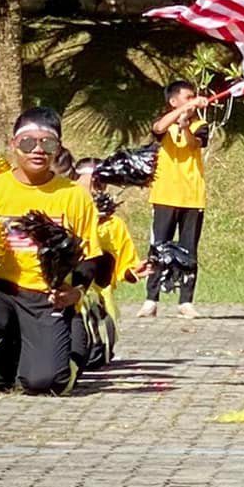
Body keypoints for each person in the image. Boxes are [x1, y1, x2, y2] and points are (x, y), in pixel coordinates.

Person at [0, 107, 106, 395]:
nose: (37, 150)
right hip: (1, 290)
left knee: (44, 384)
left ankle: (76, 335)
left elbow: (90, 256)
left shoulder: (73, 195)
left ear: (58, 148)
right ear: (14, 145)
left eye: (47, 143)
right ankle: (7, 366)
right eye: (28, 142)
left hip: (47, 297)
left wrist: (77, 292)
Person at [142, 80, 210, 319]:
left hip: (192, 197)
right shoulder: (165, 124)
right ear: (173, 101)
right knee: (159, 247)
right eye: (187, 97)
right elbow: (158, 129)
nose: (192, 101)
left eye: (194, 97)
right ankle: (151, 299)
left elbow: (194, 145)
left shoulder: (200, 125)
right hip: (165, 195)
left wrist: (185, 126)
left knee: (189, 249)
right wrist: (180, 115)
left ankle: (186, 301)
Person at [69, 157, 140, 369]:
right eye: (92, 182)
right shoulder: (64, 212)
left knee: (95, 359)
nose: (96, 189)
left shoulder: (113, 224)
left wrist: (133, 272)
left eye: (101, 183)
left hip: (98, 302)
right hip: (66, 296)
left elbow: (127, 265)